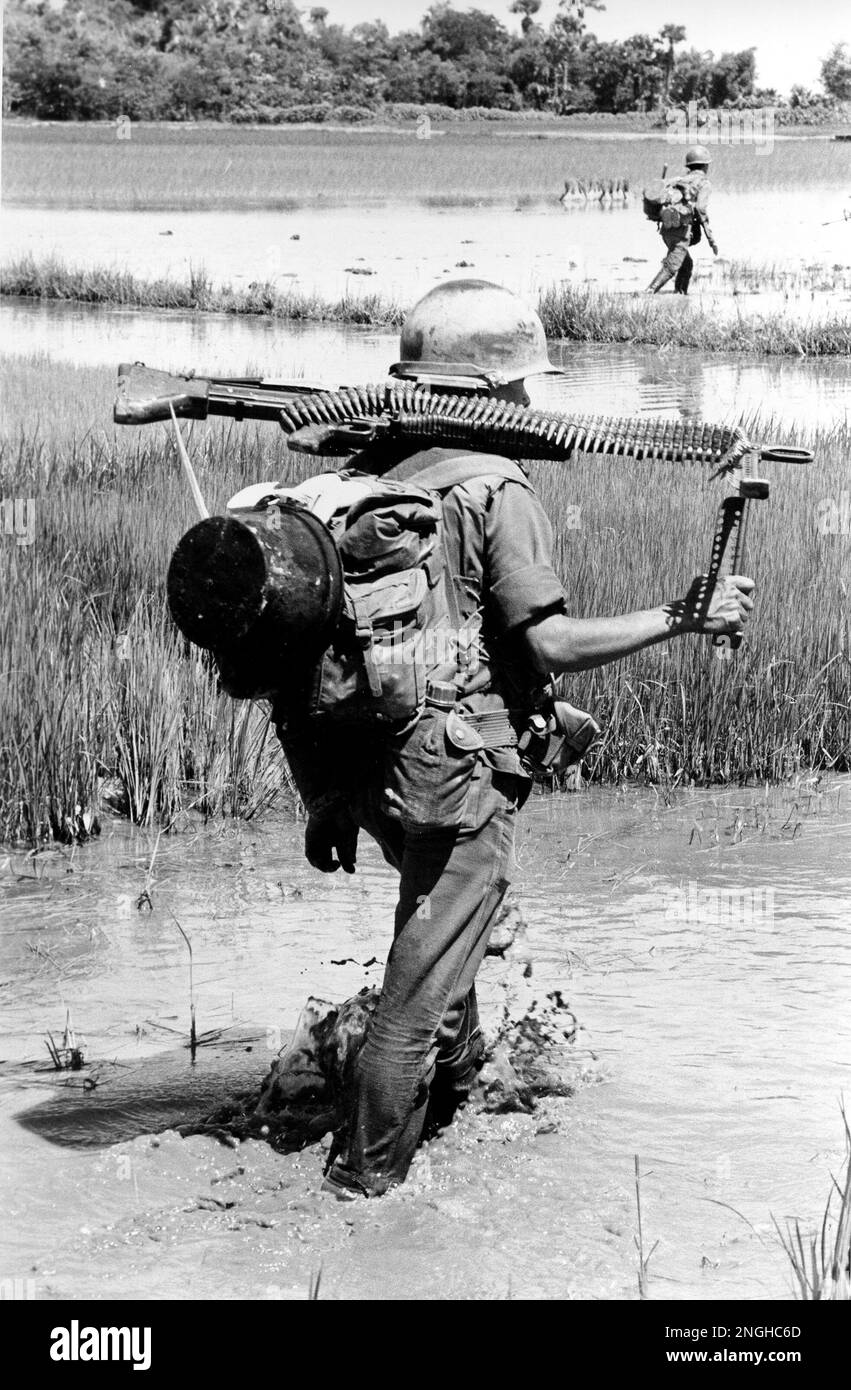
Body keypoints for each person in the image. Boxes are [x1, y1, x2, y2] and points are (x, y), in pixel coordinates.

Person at [272, 279, 754, 1199]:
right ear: (490, 387)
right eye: (522, 381)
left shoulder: (365, 476)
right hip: (454, 776)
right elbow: (550, 647)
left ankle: (461, 1097)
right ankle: (361, 1191)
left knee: (446, 938)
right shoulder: (497, 487)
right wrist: (681, 615)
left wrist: (326, 797)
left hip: (369, 765)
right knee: (411, 999)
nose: (531, 397)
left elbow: (311, 654)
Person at [647, 145, 717, 296]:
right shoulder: (704, 183)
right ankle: (647, 294)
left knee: (686, 265)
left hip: (667, 230)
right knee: (671, 266)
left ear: (689, 166)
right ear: (705, 166)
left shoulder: (679, 181)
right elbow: (701, 209)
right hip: (682, 231)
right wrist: (711, 239)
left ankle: (680, 295)